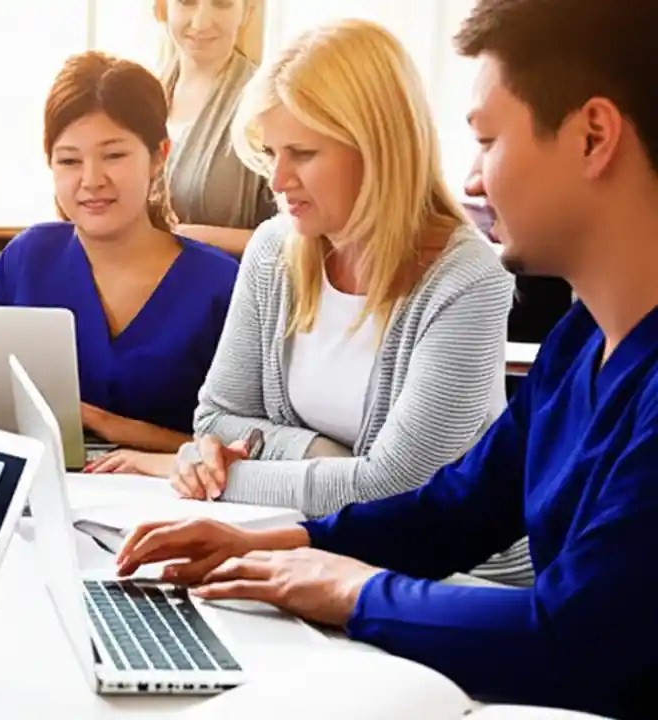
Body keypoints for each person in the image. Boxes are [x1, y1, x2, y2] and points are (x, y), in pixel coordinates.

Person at [114, 0, 658, 715]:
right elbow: (460, 505)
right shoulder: (583, 337)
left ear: (593, 137)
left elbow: (574, 639)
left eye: (489, 141)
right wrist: (290, 541)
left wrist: (349, 588)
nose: (471, 181)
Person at [93, 18, 532, 586]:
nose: (277, 179)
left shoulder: (468, 279)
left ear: (377, 148)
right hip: (299, 546)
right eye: (271, 151)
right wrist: (321, 452)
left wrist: (195, 470)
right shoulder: (276, 249)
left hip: (450, 580)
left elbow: (396, 489)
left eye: (301, 152)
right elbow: (216, 417)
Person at [0, 52, 239, 453]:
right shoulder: (29, 258)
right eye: (69, 160)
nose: (91, 180)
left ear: (158, 157)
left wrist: (122, 431)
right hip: (45, 492)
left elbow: (251, 450)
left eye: (114, 155)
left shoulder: (221, 285)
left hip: (175, 501)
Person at [156, 0, 276, 256]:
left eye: (221, 3)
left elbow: (294, 239)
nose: (200, 22)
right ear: (162, 6)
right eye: (187, 2)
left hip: (228, 292)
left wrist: (182, 236)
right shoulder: (142, 92)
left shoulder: (268, 105)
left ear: (247, 12)